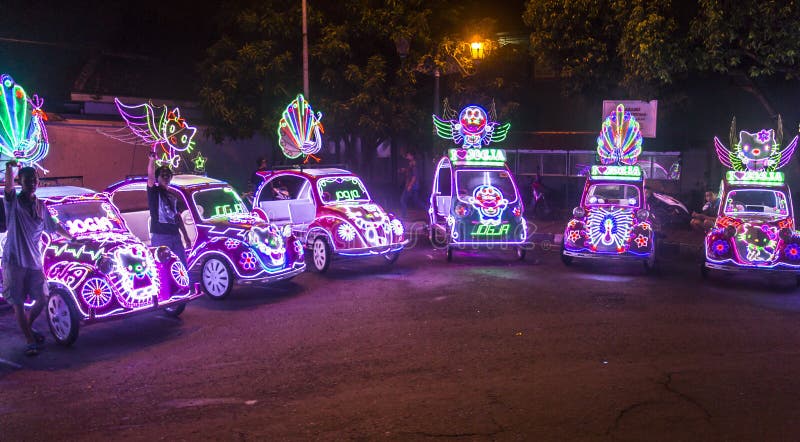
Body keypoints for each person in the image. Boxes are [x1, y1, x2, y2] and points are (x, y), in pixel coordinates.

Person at [2, 161, 72, 356]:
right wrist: (9, 170)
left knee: (42, 298)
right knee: (17, 302)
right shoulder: (13, 202)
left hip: (34, 262)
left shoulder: (41, 206)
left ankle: (27, 326)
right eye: (27, 180)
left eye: (34, 179)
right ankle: (29, 339)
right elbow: (8, 189)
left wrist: (72, 238)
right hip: (14, 261)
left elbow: (54, 227)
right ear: (20, 182)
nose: (32, 183)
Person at [147, 152, 191, 270]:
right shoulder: (154, 191)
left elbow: (177, 217)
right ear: (158, 178)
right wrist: (152, 160)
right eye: (162, 175)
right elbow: (150, 177)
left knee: (182, 267)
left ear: (171, 177)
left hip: (175, 235)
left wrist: (185, 236)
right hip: (160, 236)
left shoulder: (173, 196)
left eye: (168, 175)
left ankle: (186, 288)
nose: (165, 177)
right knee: (164, 269)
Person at [399, 151, 424, 218]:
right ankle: (427, 209)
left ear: (412, 156)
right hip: (412, 185)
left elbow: (414, 176)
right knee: (416, 200)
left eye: (409, 155)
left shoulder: (414, 164)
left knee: (403, 200)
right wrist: (404, 170)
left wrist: (410, 185)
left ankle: (404, 215)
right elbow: (410, 173)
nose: (407, 157)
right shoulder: (411, 163)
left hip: (412, 185)